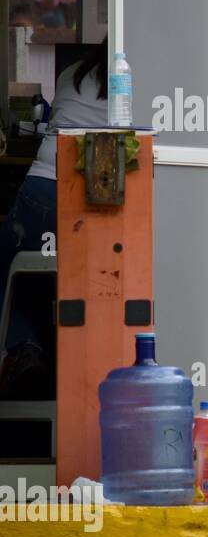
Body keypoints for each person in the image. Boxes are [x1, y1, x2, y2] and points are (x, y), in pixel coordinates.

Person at [0, 40, 107, 398]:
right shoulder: (131, 84)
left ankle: (25, 348)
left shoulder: (70, 75)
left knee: (19, 273)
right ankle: (78, 368)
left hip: (36, 191)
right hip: (84, 203)